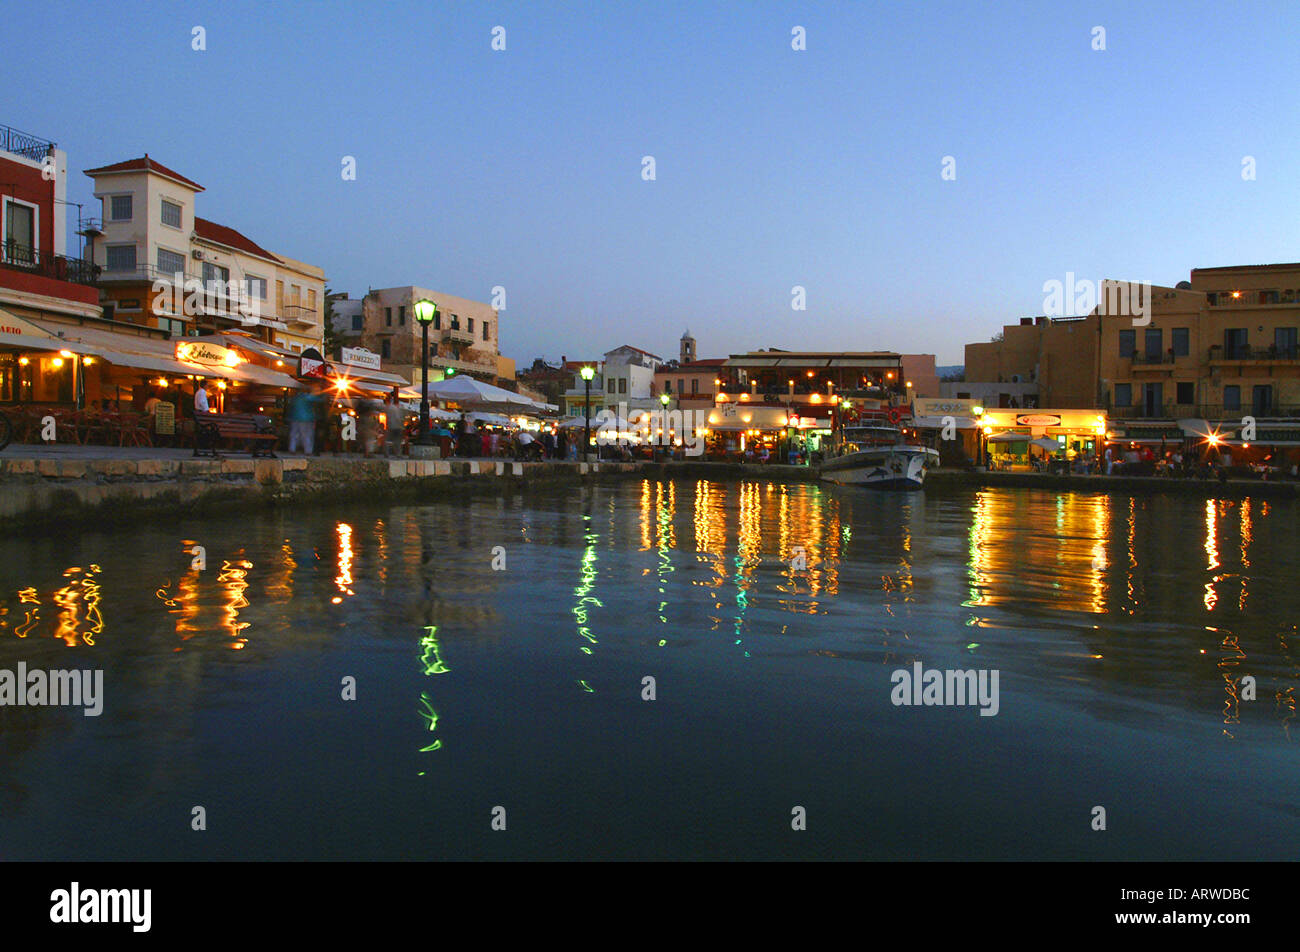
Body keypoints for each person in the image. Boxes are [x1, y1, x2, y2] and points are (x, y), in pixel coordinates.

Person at [286, 386, 317, 455]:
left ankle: (292, 448)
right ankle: (308, 451)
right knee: (306, 434)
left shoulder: (294, 398)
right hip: (306, 418)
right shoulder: (307, 397)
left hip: (294, 418)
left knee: (294, 434)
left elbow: (291, 408)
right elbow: (318, 399)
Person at [383, 389, 406, 458]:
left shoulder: (388, 408)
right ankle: (398, 454)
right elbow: (398, 417)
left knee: (388, 440)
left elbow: (395, 417)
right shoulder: (396, 407)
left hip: (391, 426)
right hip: (397, 426)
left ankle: (387, 453)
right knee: (397, 441)